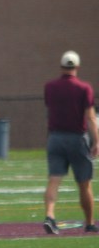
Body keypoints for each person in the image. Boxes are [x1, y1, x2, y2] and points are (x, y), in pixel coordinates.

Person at [43, 51, 98, 234]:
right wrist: (96, 141)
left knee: (54, 179)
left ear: (61, 67)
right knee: (84, 183)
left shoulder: (50, 87)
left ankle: (49, 215)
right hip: (76, 138)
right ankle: (89, 223)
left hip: (55, 137)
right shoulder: (84, 88)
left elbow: (50, 111)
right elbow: (90, 117)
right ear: (77, 67)